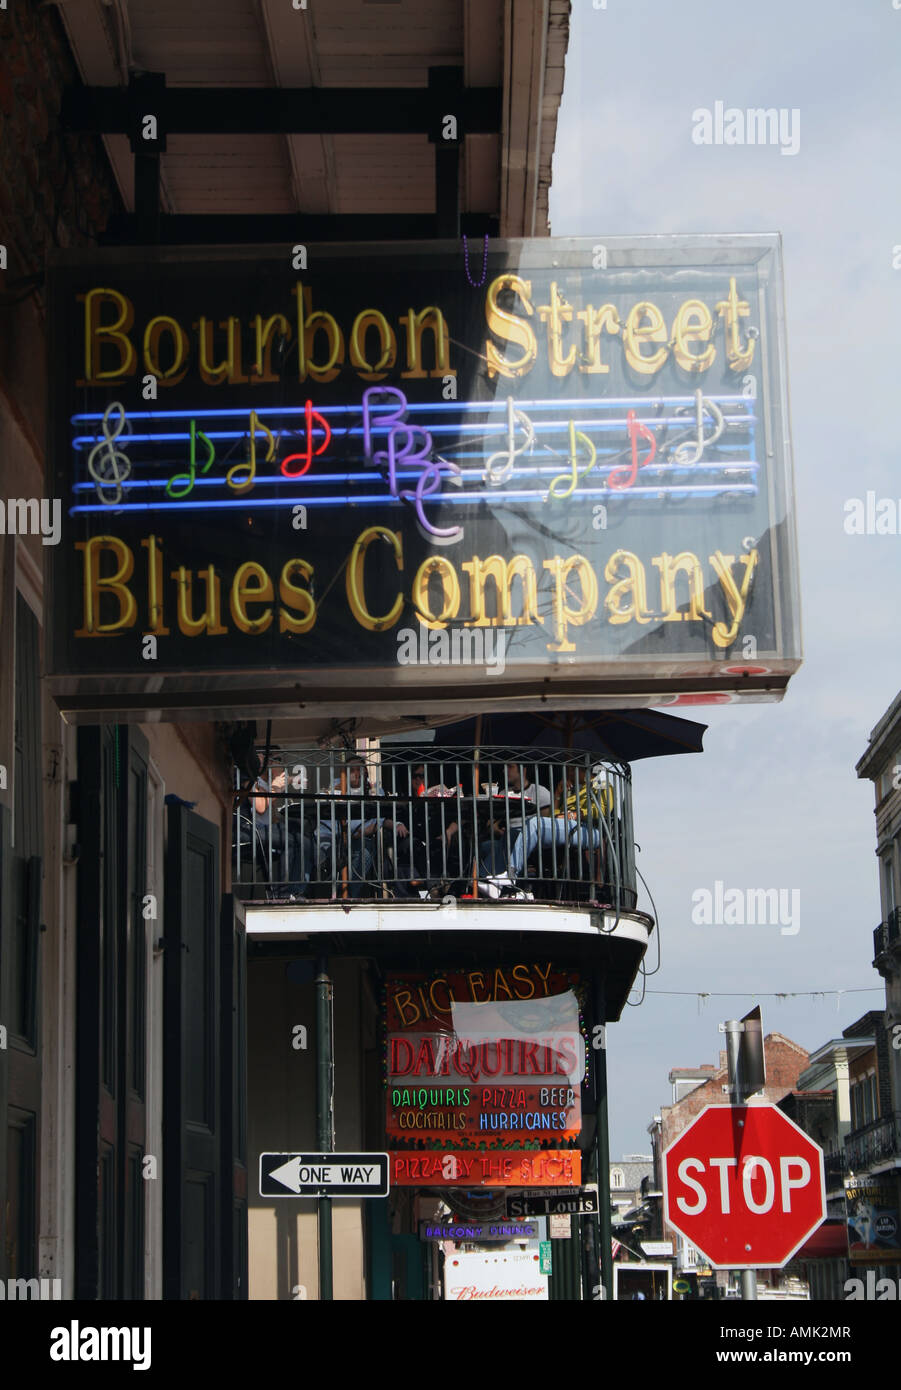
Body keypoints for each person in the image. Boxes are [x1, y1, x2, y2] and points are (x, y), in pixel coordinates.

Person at [315, 757, 408, 896]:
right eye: (350, 770)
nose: (354, 773)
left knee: (366, 852)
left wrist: (363, 832)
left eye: (358, 769)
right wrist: (334, 790)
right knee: (332, 854)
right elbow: (318, 801)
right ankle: (340, 891)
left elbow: (379, 819)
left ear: (364, 772)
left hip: (359, 838)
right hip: (333, 838)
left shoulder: (374, 790)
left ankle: (347, 894)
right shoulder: (336, 785)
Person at [506, 768, 601, 883]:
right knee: (514, 833)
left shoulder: (600, 784)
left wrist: (577, 814)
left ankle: (511, 874)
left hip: (588, 830)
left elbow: (605, 809)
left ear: (585, 771)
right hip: (568, 827)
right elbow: (553, 816)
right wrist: (558, 794)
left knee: (535, 823)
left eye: (572, 771)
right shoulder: (575, 791)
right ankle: (504, 882)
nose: (569, 775)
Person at [252, 762, 312, 899]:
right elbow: (260, 807)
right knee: (294, 839)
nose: (277, 762)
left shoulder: (267, 781)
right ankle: (282, 893)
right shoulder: (252, 779)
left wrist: (286, 781)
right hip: (251, 830)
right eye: (274, 759)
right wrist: (275, 789)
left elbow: (270, 816)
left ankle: (296, 890)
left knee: (298, 834)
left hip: (266, 829)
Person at [479, 762, 551, 875]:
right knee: (484, 846)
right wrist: (496, 830)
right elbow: (491, 824)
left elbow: (545, 823)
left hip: (531, 840)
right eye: (504, 767)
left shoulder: (540, 792)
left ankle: (482, 880)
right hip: (505, 838)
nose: (504, 770)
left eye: (510, 767)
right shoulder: (503, 793)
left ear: (523, 770)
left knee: (511, 836)